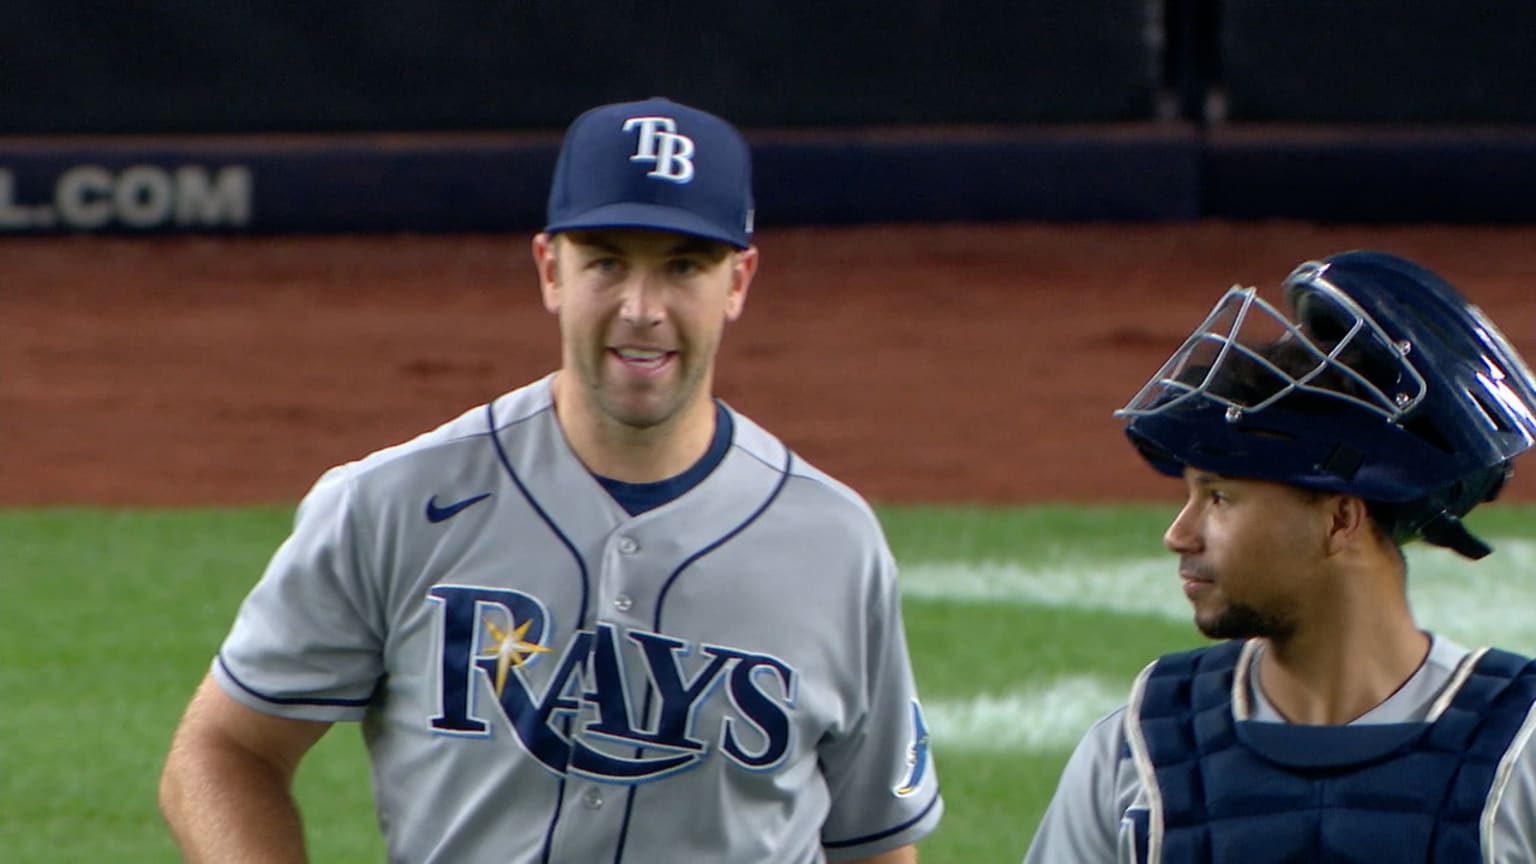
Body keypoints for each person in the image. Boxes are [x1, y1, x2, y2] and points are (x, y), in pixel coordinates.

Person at [158, 96, 942, 863]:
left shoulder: (833, 544)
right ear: (550, 269)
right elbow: (224, 750)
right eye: (606, 261)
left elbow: (873, 841)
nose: (642, 308)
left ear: (737, 282)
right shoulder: (393, 505)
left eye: (683, 267)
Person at [1023, 250, 1536, 863]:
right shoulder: (1135, 755)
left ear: (1340, 519)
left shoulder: (1520, 755)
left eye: (1219, 497)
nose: (1178, 534)